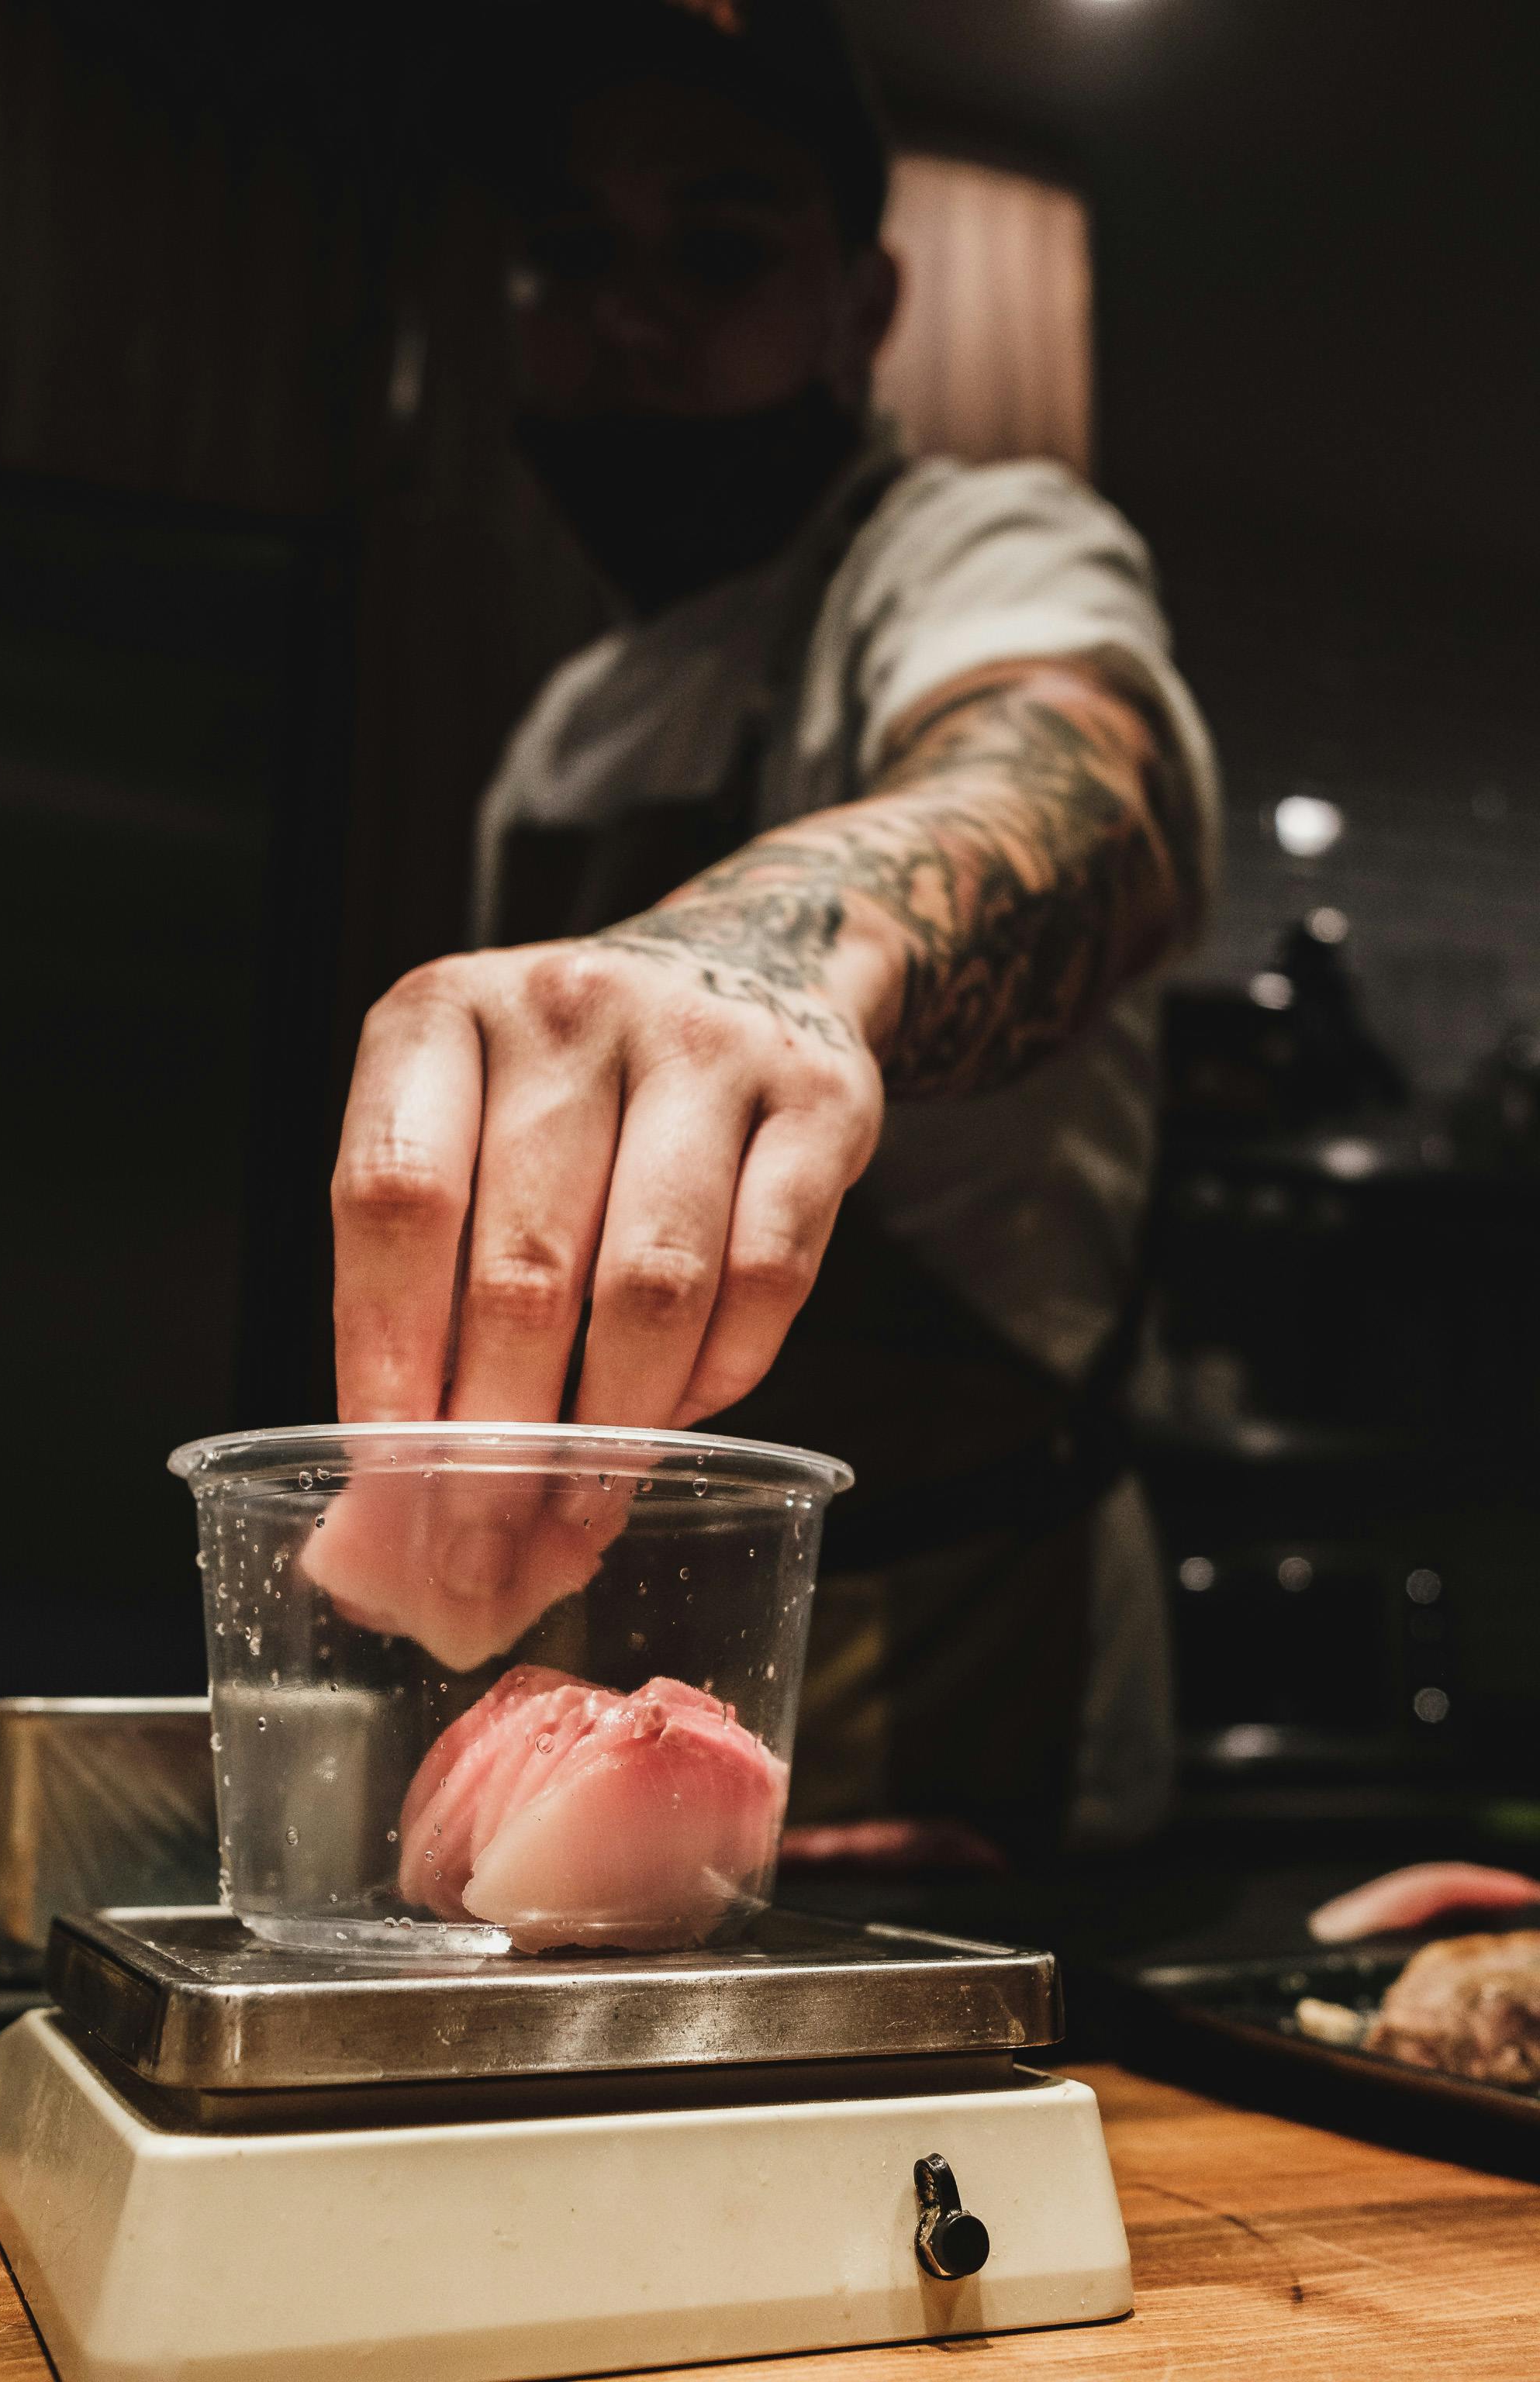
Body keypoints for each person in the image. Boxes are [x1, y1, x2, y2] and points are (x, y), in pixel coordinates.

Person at [327, 0, 1219, 1855]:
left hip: (972, 1625)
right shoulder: (566, 727)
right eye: (573, 257)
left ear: (863, 307)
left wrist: (761, 962)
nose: (632, 318)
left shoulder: (970, 543)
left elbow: (1070, 780)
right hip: (620, 1629)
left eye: (717, 250)